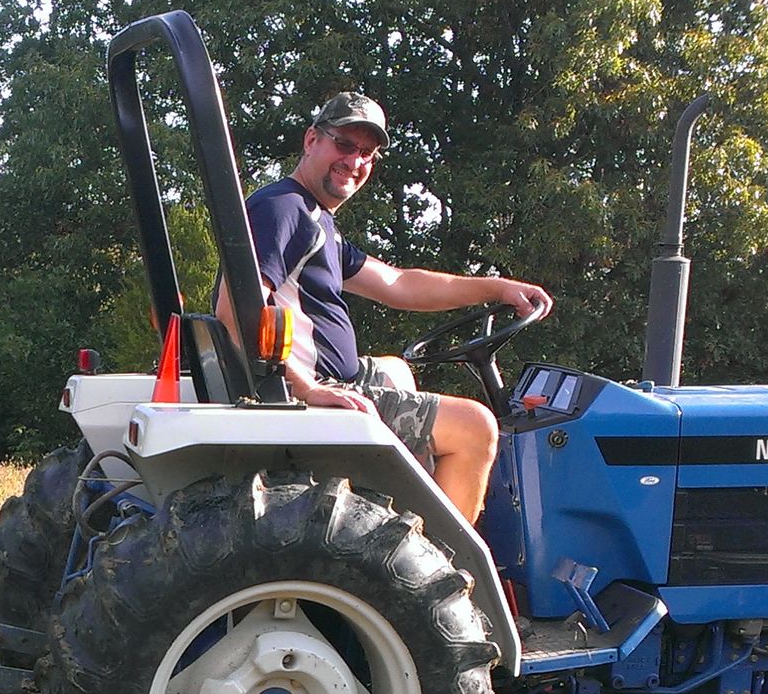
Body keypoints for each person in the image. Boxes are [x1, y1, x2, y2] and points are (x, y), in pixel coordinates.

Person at [236, 91, 552, 523]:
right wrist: (307, 388)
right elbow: (239, 308)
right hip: (300, 390)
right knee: (476, 427)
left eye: (366, 153)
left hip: (325, 377)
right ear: (312, 140)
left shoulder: (314, 218)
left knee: (397, 370)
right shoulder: (283, 210)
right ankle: (445, 570)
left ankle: (405, 524)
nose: (355, 161)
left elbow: (398, 283)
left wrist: (496, 288)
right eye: (343, 145)